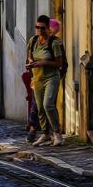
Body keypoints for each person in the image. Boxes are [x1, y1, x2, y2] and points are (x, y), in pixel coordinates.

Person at [26, 14, 65, 146]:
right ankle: (45, 134)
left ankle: (57, 133)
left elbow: (59, 63)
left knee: (48, 104)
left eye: (42, 28)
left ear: (48, 27)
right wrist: (31, 62)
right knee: (40, 107)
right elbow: (30, 56)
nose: (39, 30)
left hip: (51, 77)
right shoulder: (33, 41)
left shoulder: (54, 43)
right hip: (37, 78)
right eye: (37, 27)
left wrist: (43, 63)